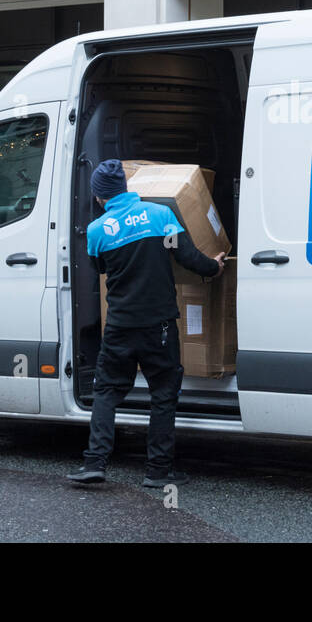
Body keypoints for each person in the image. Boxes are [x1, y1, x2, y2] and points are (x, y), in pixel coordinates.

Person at [68, 159, 225, 488]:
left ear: (100, 197)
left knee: (107, 391)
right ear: (126, 188)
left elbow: (100, 268)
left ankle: (95, 463)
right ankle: (157, 471)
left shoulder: (97, 231)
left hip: (120, 326)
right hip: (160, 326)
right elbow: (187, 258)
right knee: (163, 394)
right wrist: (214, 267)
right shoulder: (160, 215)